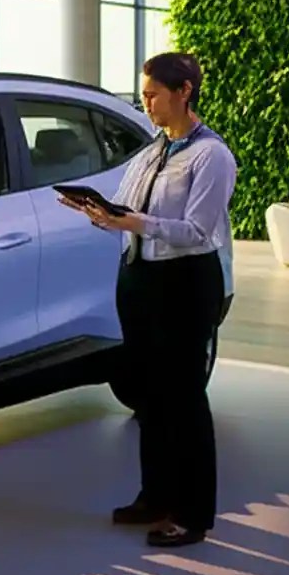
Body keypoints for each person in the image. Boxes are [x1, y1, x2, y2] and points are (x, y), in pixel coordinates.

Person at [60, 52, 236, 547]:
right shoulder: (151, 152)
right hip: (140, 278)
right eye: (144, 96)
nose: (147, 105)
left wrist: (135, 222)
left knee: (184, 398)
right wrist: (102, 214)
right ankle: (154, 496)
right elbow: (131, 207)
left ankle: (192, 513)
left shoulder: (211, 157)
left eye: (154, 95)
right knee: (151, 394)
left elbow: (198, 230)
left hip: (184, 282)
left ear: (184, 92)